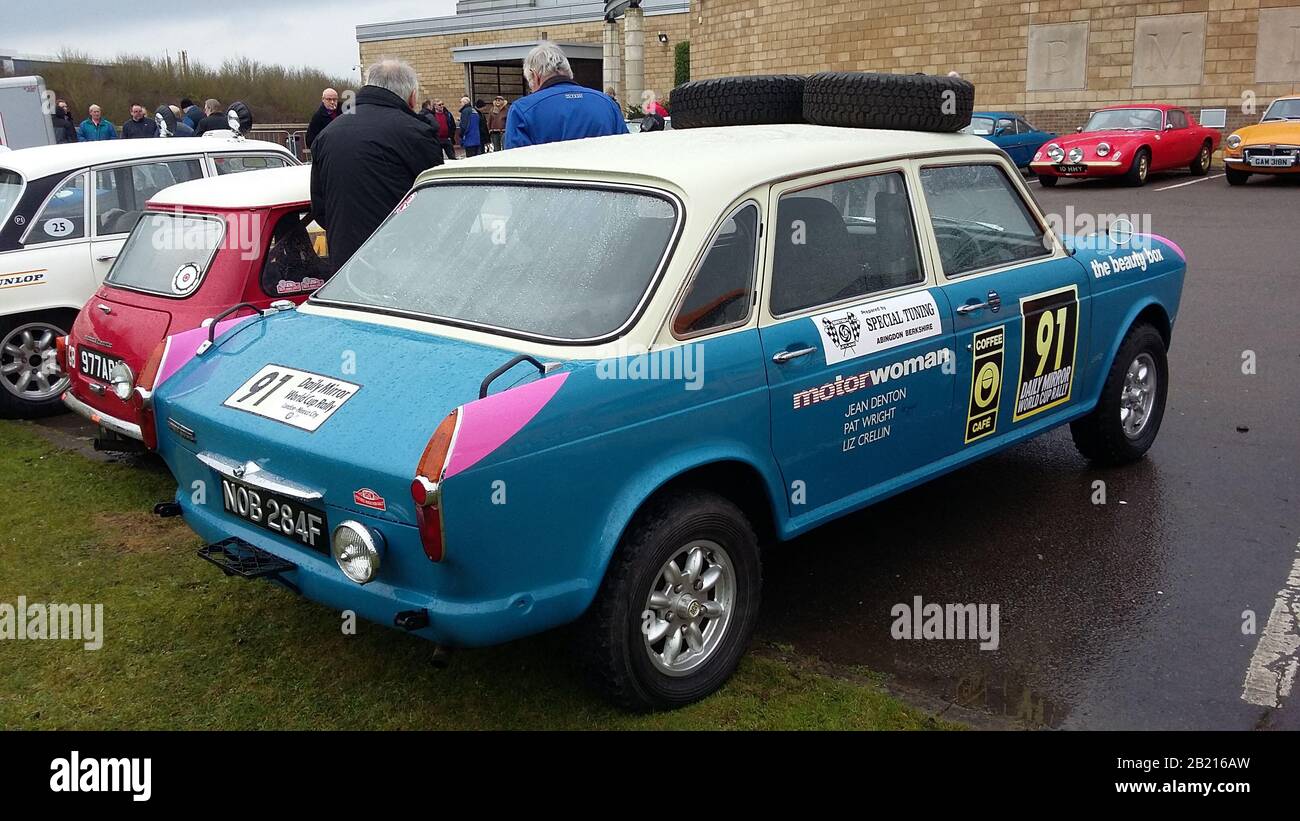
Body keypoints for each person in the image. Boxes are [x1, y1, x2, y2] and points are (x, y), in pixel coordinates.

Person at [309, 57, 443, 266]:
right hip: (405, 265)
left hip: (345, 267)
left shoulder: (328, 135)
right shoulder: (416, 133)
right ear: (412, 97)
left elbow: (320, 208)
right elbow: (439, 206)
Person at [504, 43, 628, 149]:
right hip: (603, 176)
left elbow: (515, 166)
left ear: (535, 75)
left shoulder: (522, 110)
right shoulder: (607, 103)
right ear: (568, 71)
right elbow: (626, 150)